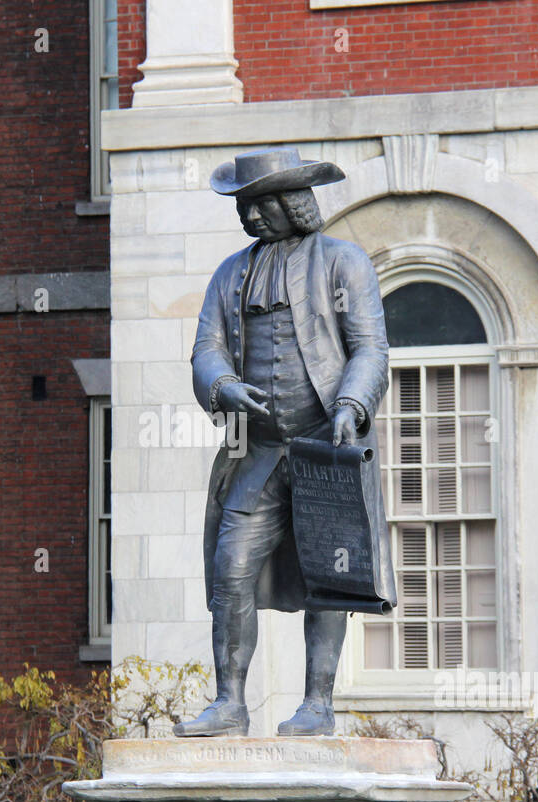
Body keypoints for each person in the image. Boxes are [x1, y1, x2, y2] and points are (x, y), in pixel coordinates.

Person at [174, 146, 394, 737]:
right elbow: (206, 348)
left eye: (259, 204)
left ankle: (317, 705)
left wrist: (352, 404)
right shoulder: (229, 274)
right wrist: (222, 386)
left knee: (331, 569)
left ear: (293, 203)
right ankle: (229, 703)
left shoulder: (342, 263)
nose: (249, 217)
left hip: (326, 441)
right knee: (230, 565)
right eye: (243, 206)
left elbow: (370, 347)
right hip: (260, 448)